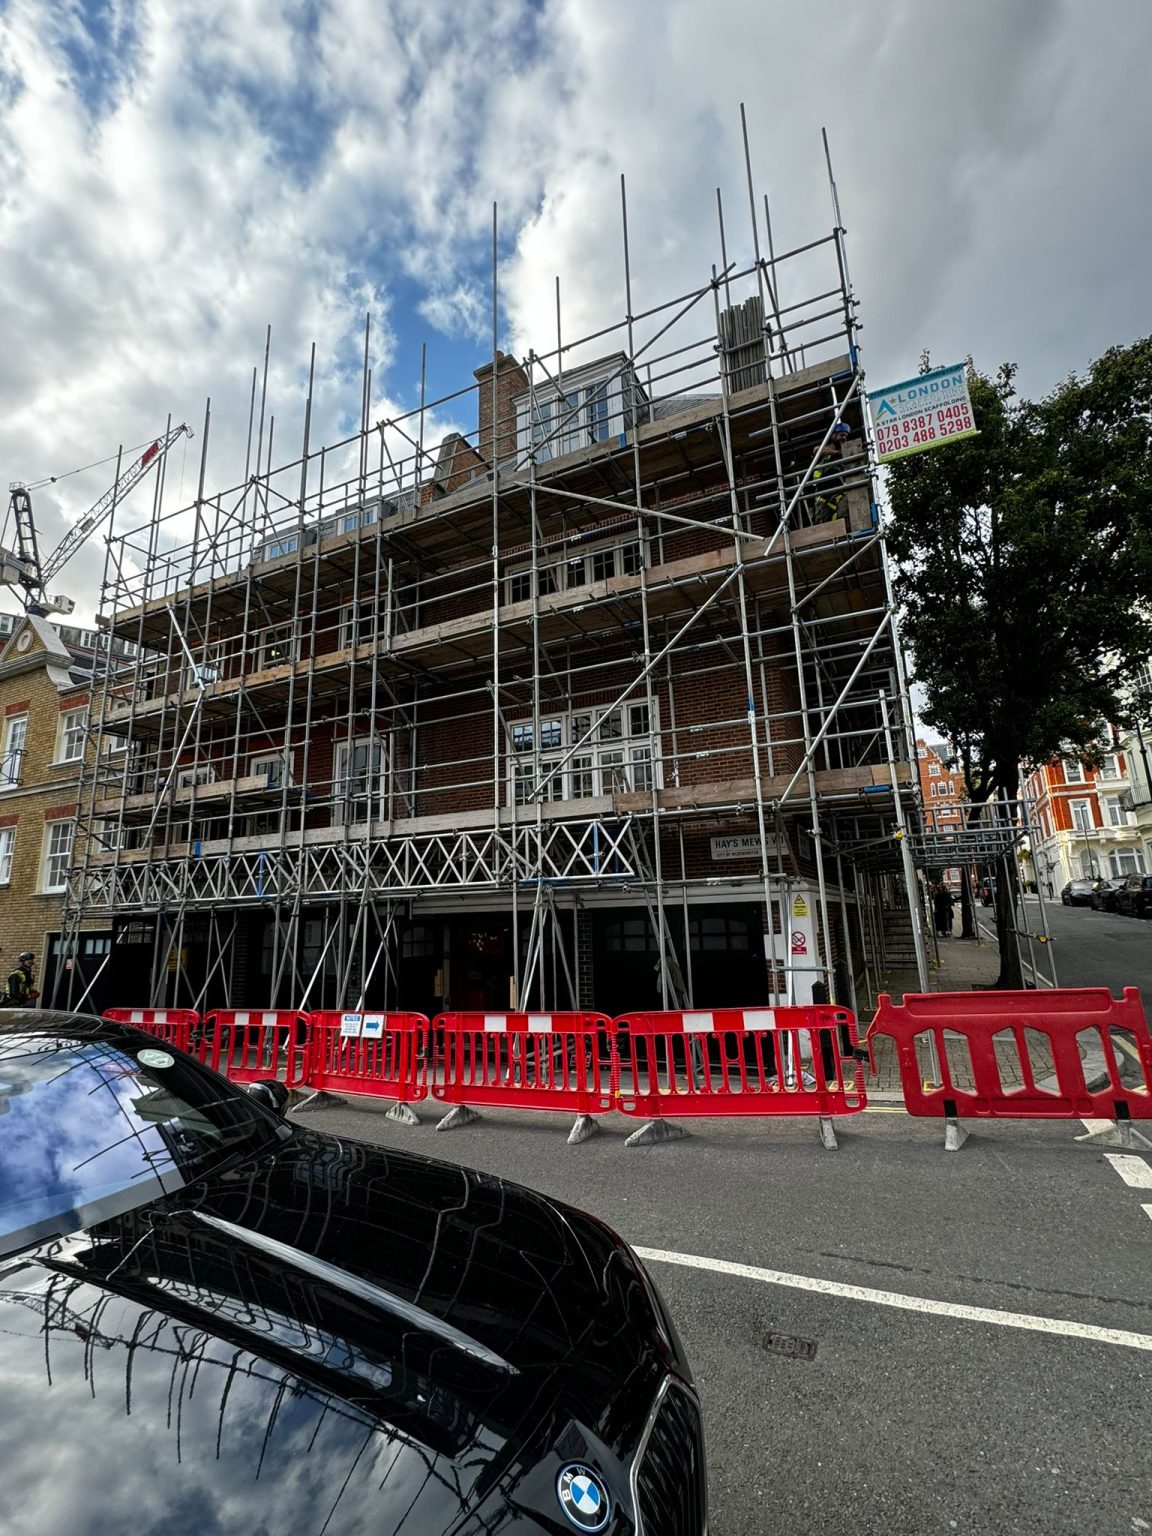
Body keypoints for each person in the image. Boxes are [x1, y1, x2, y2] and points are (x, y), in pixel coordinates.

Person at [811, 422, 851, 522]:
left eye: (846, 436)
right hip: (823, 493)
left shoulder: (845, 454)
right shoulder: (826, 451)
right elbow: (816, 450)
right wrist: (836, 453)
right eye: (841, 435)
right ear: (833, 435)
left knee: (843, 516)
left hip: (839, 492)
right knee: (823, 522)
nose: (844, 438)